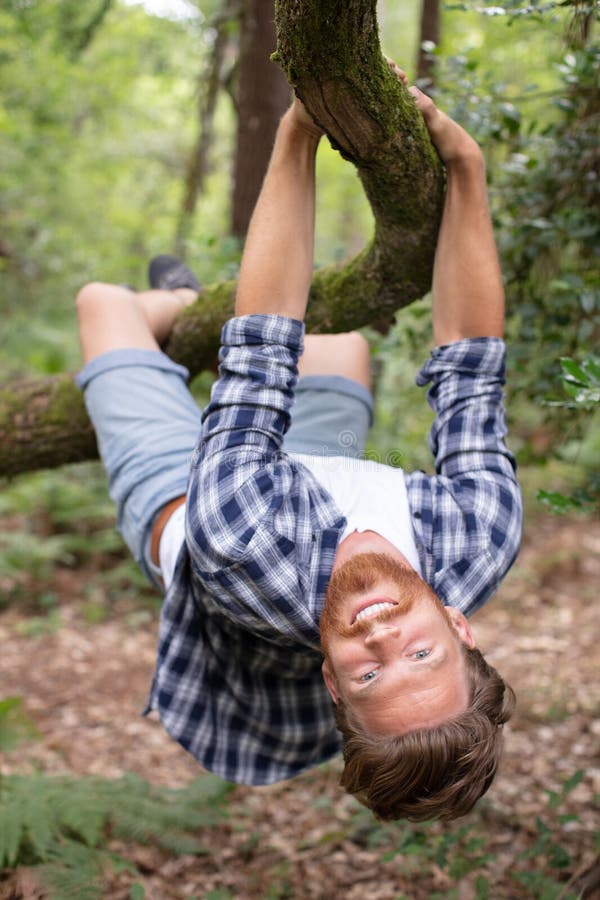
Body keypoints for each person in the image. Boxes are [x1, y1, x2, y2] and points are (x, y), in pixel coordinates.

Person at [75, 63, 522, 822]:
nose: (381, 636)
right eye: (420, 653)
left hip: (186, 503)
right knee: (342, 344)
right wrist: (465, 165)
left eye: (370, 676)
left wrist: (300, 124)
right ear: (459, 624)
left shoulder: (241, 542)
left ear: (330, 682)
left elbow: (262, 349)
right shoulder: (479, 537)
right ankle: (211, 331)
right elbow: (471, 364)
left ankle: (181, 305)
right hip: (305, 477)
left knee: (106, 307)